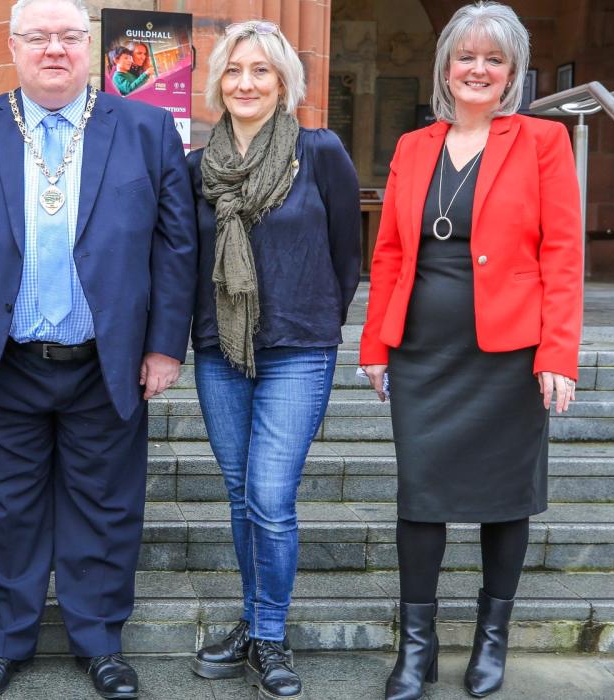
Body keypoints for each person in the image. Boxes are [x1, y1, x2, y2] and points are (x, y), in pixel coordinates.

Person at [0, 0, 197, 697]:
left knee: (105, 507)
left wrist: (166, 345)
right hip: (4, 359)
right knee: (4, 510)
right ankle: (3, 644)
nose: (53, 50)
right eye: (37, 37)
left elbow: (176, 245)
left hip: (107, 359)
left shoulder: (146, 127)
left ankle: (100, 640)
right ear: (11, 49)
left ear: (91, 48)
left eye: (69, 37)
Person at [358, 3, 582, 698]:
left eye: (494, 59)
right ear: (446, 68)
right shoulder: (413, 147)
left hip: (510, 352)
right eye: (466, 57)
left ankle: (492, 641)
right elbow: (391, 251)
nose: (478, 70)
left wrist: (558, 353)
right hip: (425, 349)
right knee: (419, 497)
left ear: (511, 73)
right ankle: (417, 650)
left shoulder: (542, 141)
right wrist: (376, 342)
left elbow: (564, 254)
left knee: (503, 498)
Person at [184, 20, 361, 700]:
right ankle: (258, 627)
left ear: (284, 81)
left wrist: (314, 314)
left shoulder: (320, 153)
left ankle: (270, 635)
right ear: (218, 83)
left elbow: (348, 254)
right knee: (240, 494)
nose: (247, 82)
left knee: (268, 497)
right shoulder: (196, 168)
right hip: (219, 348)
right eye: (234, 70)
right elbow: (186, 259)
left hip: (297, 346)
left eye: (261, 70)